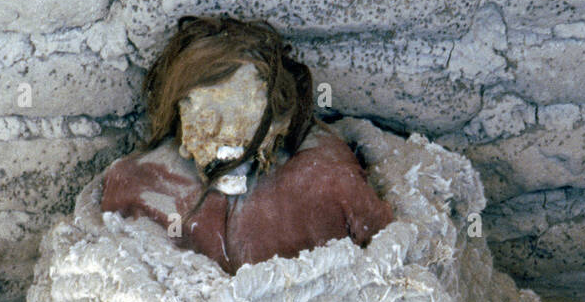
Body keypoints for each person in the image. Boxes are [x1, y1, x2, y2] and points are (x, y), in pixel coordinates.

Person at [100, 15, 394, 274]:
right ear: (180, 128)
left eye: (241, 110)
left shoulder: (327, 182)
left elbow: (383, 252)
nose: (225, 134)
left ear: (280, 123)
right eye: (204, 117)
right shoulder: (138, 187)